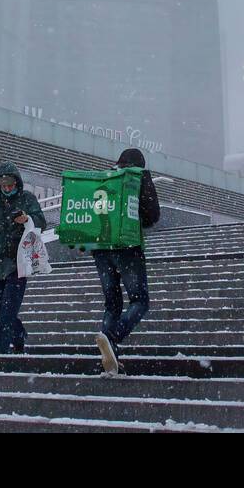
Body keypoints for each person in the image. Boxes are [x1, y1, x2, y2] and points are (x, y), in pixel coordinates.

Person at [92, 147, 161, 375]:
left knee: (112, 304)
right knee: (140, 301)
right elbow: (152, 215)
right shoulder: (137, 178)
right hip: (128, 248)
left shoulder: (105, 178)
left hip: (102, 249)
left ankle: (109, 358)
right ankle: (111, 338)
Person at [0, 162, 46, 354]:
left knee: (8, 310)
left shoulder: (27, 199)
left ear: (17, 183)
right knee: (0, 305)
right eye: (4, 186)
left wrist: (27, 219)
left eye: (11, 185)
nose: (7, 189)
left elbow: (41, 221)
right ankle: (19, 336)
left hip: (19, 262)